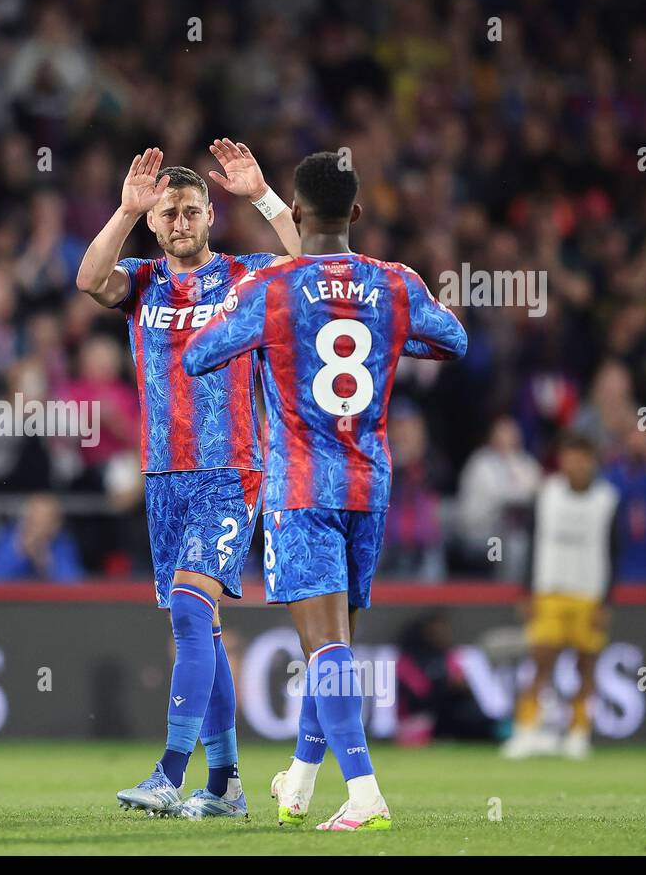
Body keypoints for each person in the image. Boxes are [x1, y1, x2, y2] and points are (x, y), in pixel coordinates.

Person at [184, 151, 467, 831]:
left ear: (297, 212)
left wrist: (252, 331)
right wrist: (393, 339)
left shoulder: (274, 288)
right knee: (334, 646)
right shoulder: (394, 283)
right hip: (368, 484)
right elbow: (452, 339)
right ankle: (303, 781)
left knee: (326, 650)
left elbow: (198, 357)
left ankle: (365, 791)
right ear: (358, 214)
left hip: (302, 484)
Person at [76, 141, 301, 819]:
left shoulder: (244, 276)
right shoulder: (141, 280)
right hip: (162, 475)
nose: (180, 221)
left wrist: (263, 196)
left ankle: (171, 772)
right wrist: (123, 209)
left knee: (188, 612)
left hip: (231, 470)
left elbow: (308, 264)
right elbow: (89, 278)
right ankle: (227, 785)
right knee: (198, 628)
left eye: (191, 210)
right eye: (169, 212)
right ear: (156, 222)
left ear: (211, 215)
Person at [504, 432, 619, 760]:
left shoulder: (608, 500)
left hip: (588, 594)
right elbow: (531, 544)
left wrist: (607, 601)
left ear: (592, 461)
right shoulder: (546, 494)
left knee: (586, 668)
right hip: (549, 592)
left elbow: (616, 552)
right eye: (571, 456)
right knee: (540, 663)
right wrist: (526, 592)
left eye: (583, 457)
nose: (577, 464)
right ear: (563, 460)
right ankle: (527, 730)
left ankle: (579, 732)